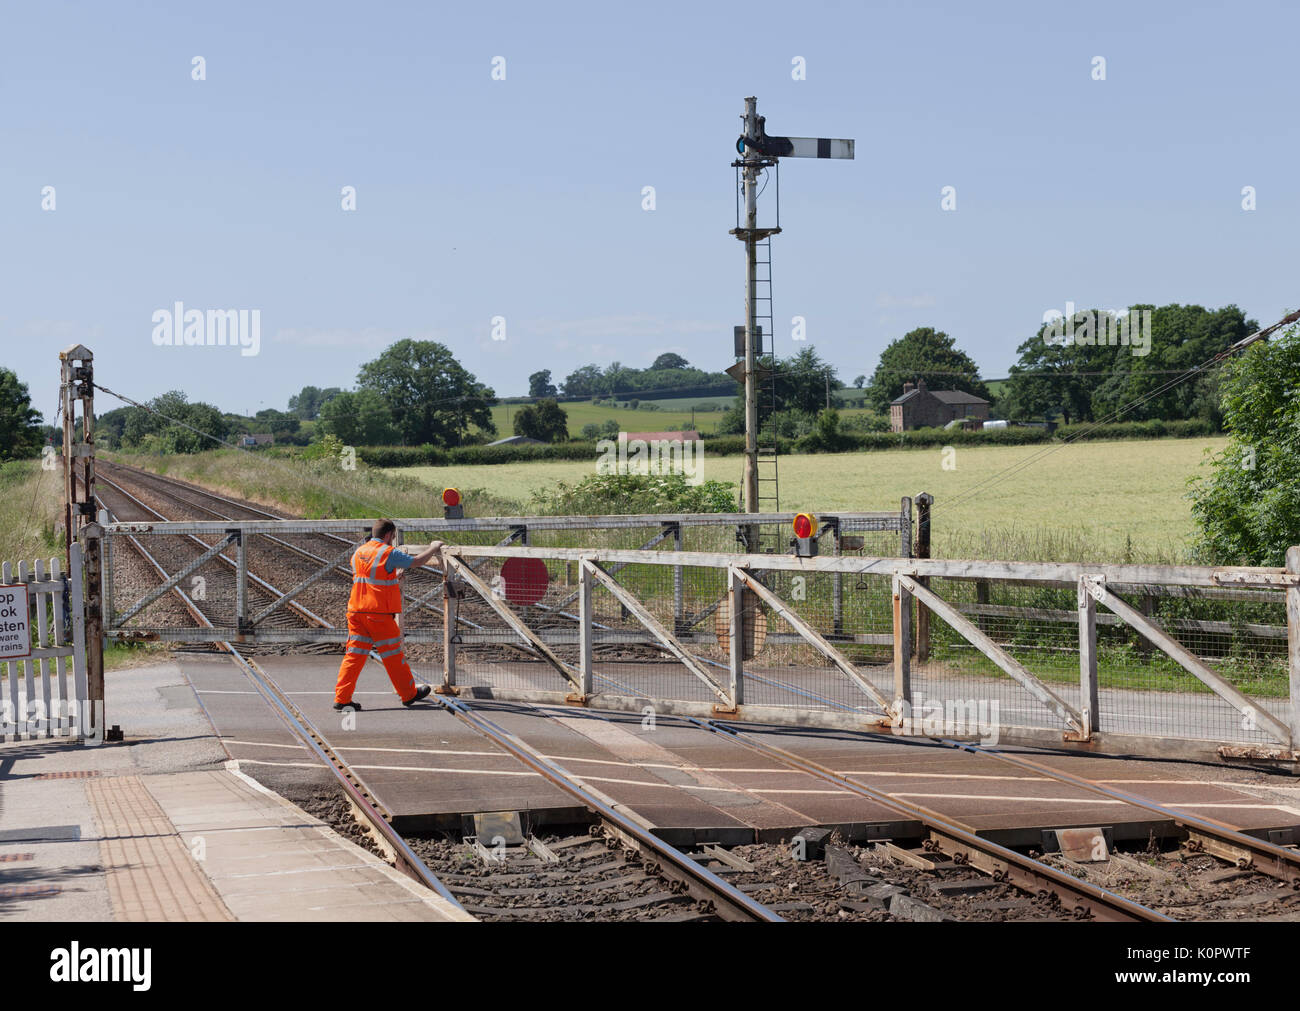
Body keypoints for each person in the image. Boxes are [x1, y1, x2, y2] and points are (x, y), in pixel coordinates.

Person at [333, 519, 445, 711]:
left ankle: (342, 698)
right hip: (378, 615)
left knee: (353, 656)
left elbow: (369, 580)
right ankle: (409, 694)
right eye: (393, 536)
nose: (393, 540)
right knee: (393, 656)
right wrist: (434, 547)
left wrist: (392, 577)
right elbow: (417, 562)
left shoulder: (358, 552)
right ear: (388, 535)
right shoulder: (387, 552)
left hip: (356, 612)